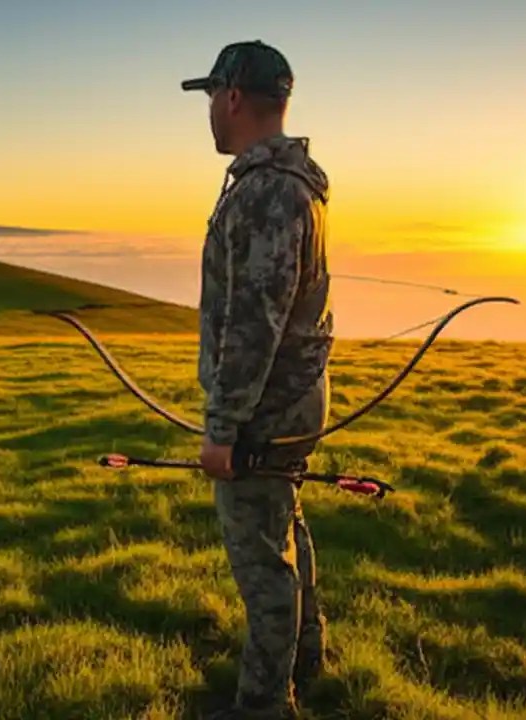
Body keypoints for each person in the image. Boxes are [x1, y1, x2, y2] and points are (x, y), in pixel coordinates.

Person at [182, 40, 335, 719]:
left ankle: (263, 705)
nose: (210, 111)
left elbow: (254, 325)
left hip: (262, 416)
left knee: (262, 561)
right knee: (286, 523)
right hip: (289, 409)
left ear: (233, 97)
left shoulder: (269, 193)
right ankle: (308, 660)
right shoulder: (289, 184)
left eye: (212, 97)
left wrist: (223, 431)